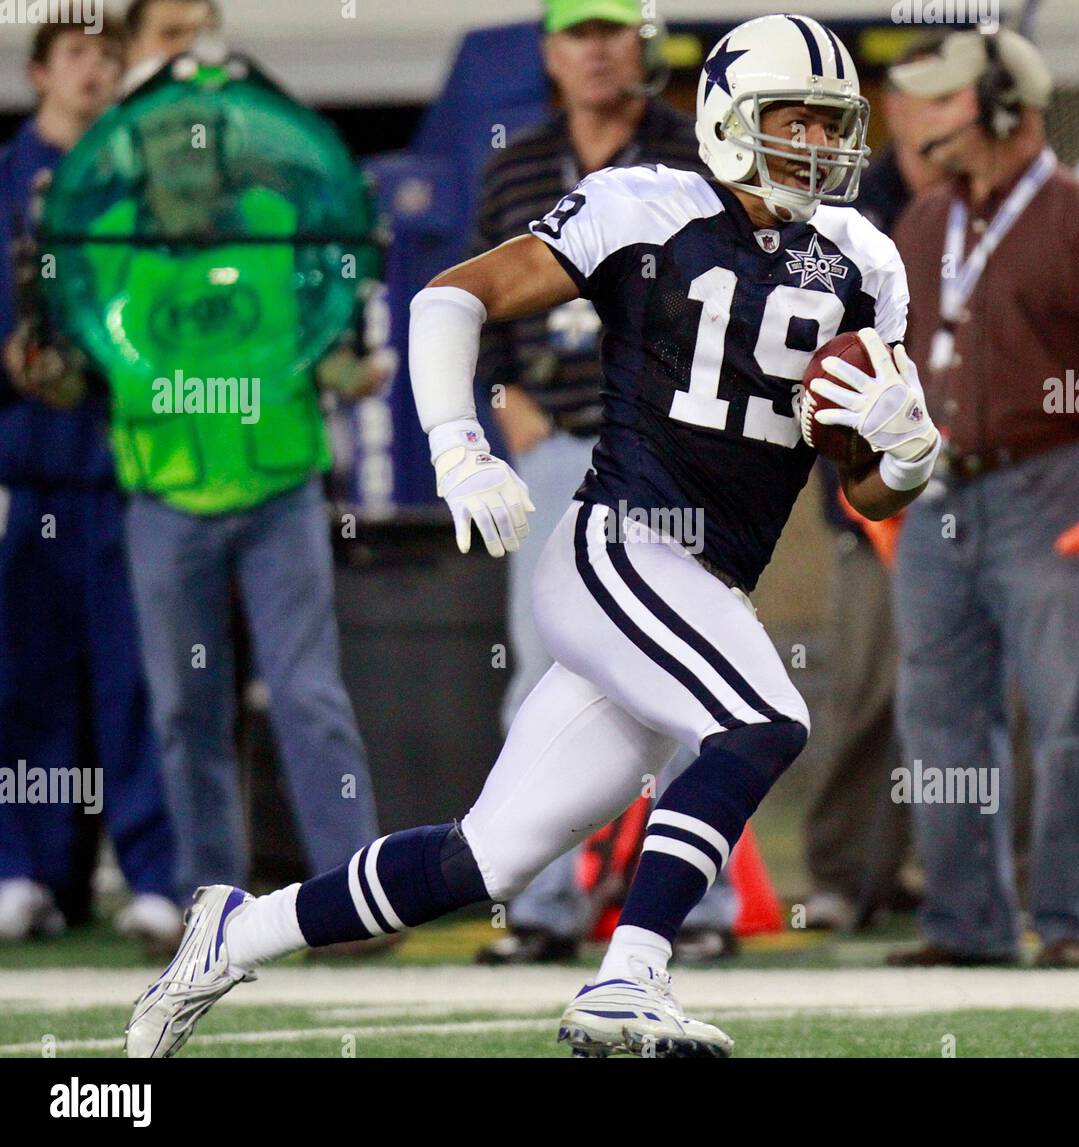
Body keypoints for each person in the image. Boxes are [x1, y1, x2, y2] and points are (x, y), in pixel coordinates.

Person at [126, 14, 939, 1060]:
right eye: (797, 120)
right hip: (619, 548)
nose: (822, 147)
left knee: (487, 856)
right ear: (731, 120)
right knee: (761, 720)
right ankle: (629, 980)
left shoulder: (864, 261)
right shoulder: (645, 203)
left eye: (835, 126)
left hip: (707, 583)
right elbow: (449, 296)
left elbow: (868, 487)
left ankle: (232, 931)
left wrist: (906, 461)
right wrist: (459, 447)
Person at [883, 30, 1079, 968]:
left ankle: (1076, 923)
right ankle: (965, 924)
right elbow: (883, 365)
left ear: (1004, 106)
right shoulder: (926, 224)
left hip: (1054, 482)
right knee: (936, 719)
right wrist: (877, 487)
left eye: (944, 101)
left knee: (1067, 717)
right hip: (939, 490)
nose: (923, 120)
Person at [92, 2, 390, 904]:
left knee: (309, 696)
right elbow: (80, 362)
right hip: (165, 495)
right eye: (168, 132)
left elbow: (326, 338)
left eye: (202, 130)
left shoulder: (277, 214)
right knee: (184, 709)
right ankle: (206, 905)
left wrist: (350, 363)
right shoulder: (98, 238)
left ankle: (352, 895)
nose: (187, 145)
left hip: (279, 486)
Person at [472, 0, 737, 967]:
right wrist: (507, 405)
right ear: (550, 50)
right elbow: (486, 304)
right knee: (542, 666)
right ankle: (540, 903)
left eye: (612, 31)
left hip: (673, 452)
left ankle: (693, 910)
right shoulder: (513, 164)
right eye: (578, 32)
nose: (595, 49)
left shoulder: (693, 152)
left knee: (700, 678)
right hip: (554, 440)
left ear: (642, 44)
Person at [0, 17, 179, 949]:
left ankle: (152, 873)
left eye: (110, 57)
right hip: (30, 469)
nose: (98, 72)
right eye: (77, 56)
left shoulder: (138, 180)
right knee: (27, 679)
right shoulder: (7, 181)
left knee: (138, 679)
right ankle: (27, 870)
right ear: (38, 72)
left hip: (131, 470)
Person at [801, 36, 945, 931]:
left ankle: (969, 878)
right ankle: (845, 872)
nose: (948, 115)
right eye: (928, 97)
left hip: (987, 488)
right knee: (866, 696)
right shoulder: (849, 217)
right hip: (874, 502)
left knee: (978, 703)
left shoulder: (999, 208)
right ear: (897, 108)